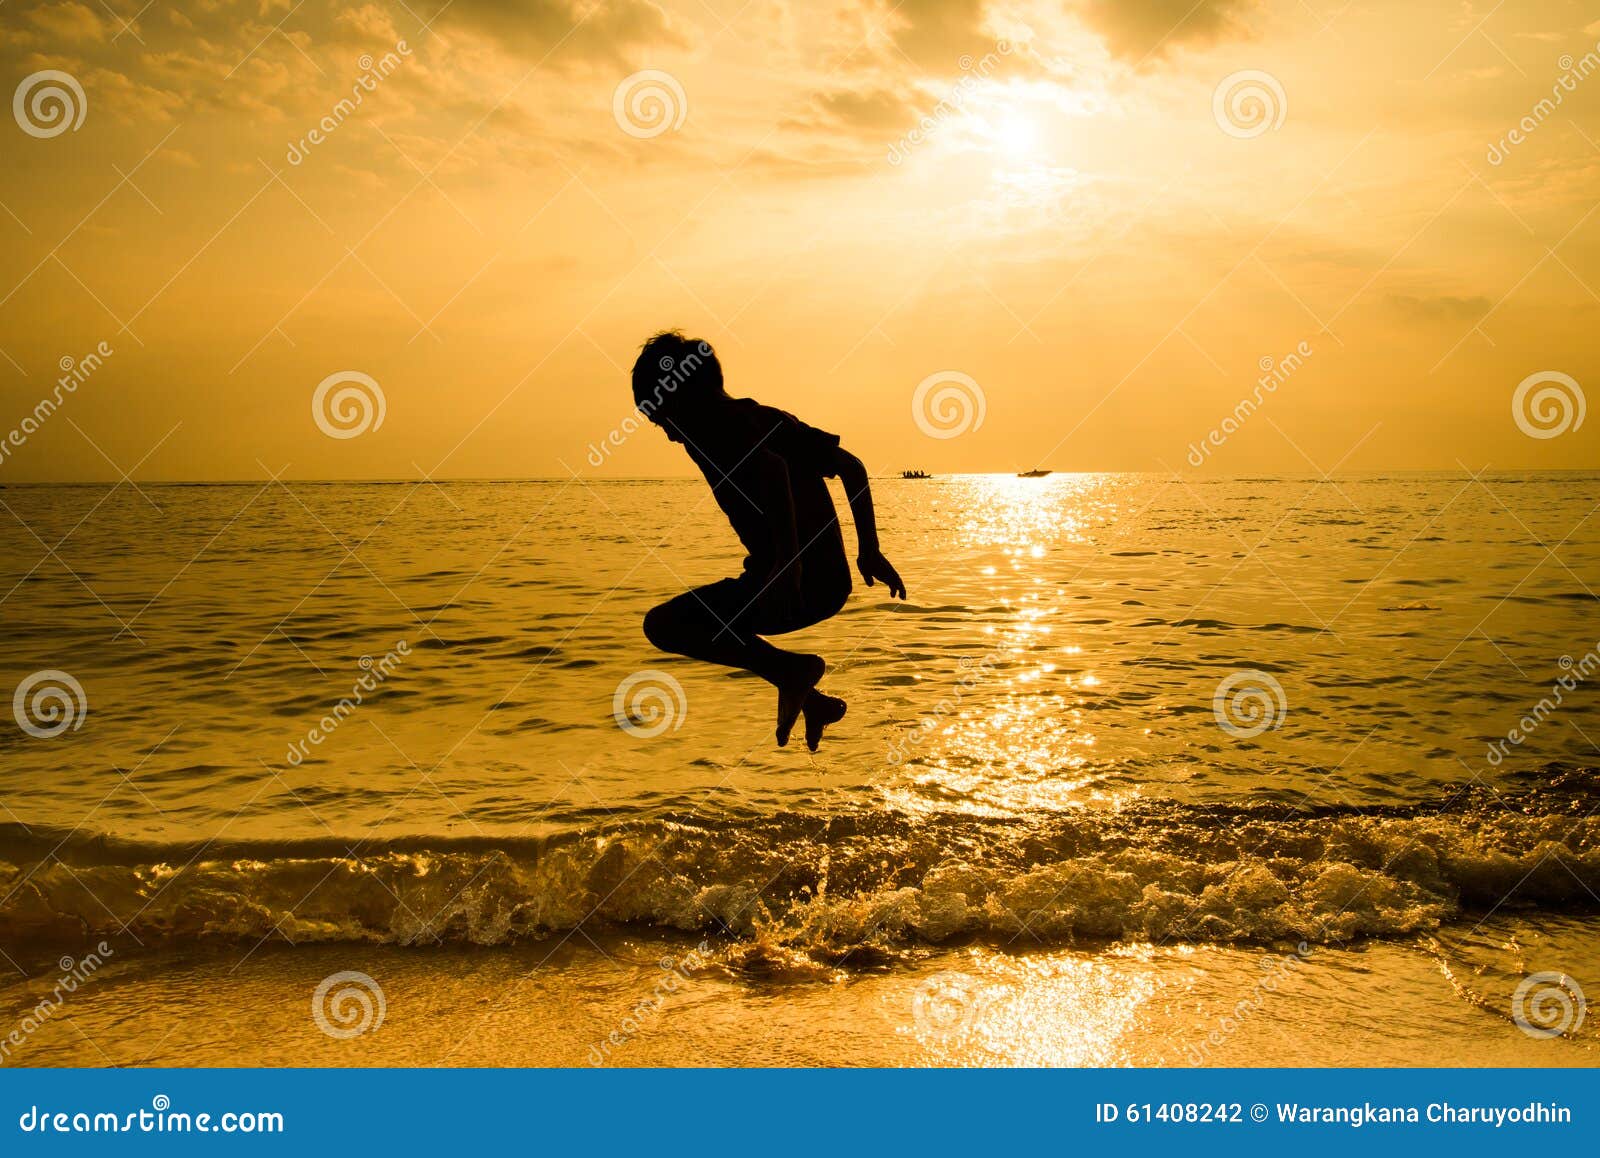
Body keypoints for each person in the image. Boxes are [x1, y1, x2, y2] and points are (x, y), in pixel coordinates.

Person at [631, 331, 905, 750]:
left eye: (663, 418)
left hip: (790, 585)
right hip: (825, 585)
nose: (668, 434)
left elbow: (772, 471)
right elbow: (852, 466)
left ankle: (794, 675)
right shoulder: (768, 418)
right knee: (698, 622)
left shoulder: (712, 427)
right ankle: (808, 696)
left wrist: (787, 565)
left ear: (684, 399)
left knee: (666, 624)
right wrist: (869, 550)